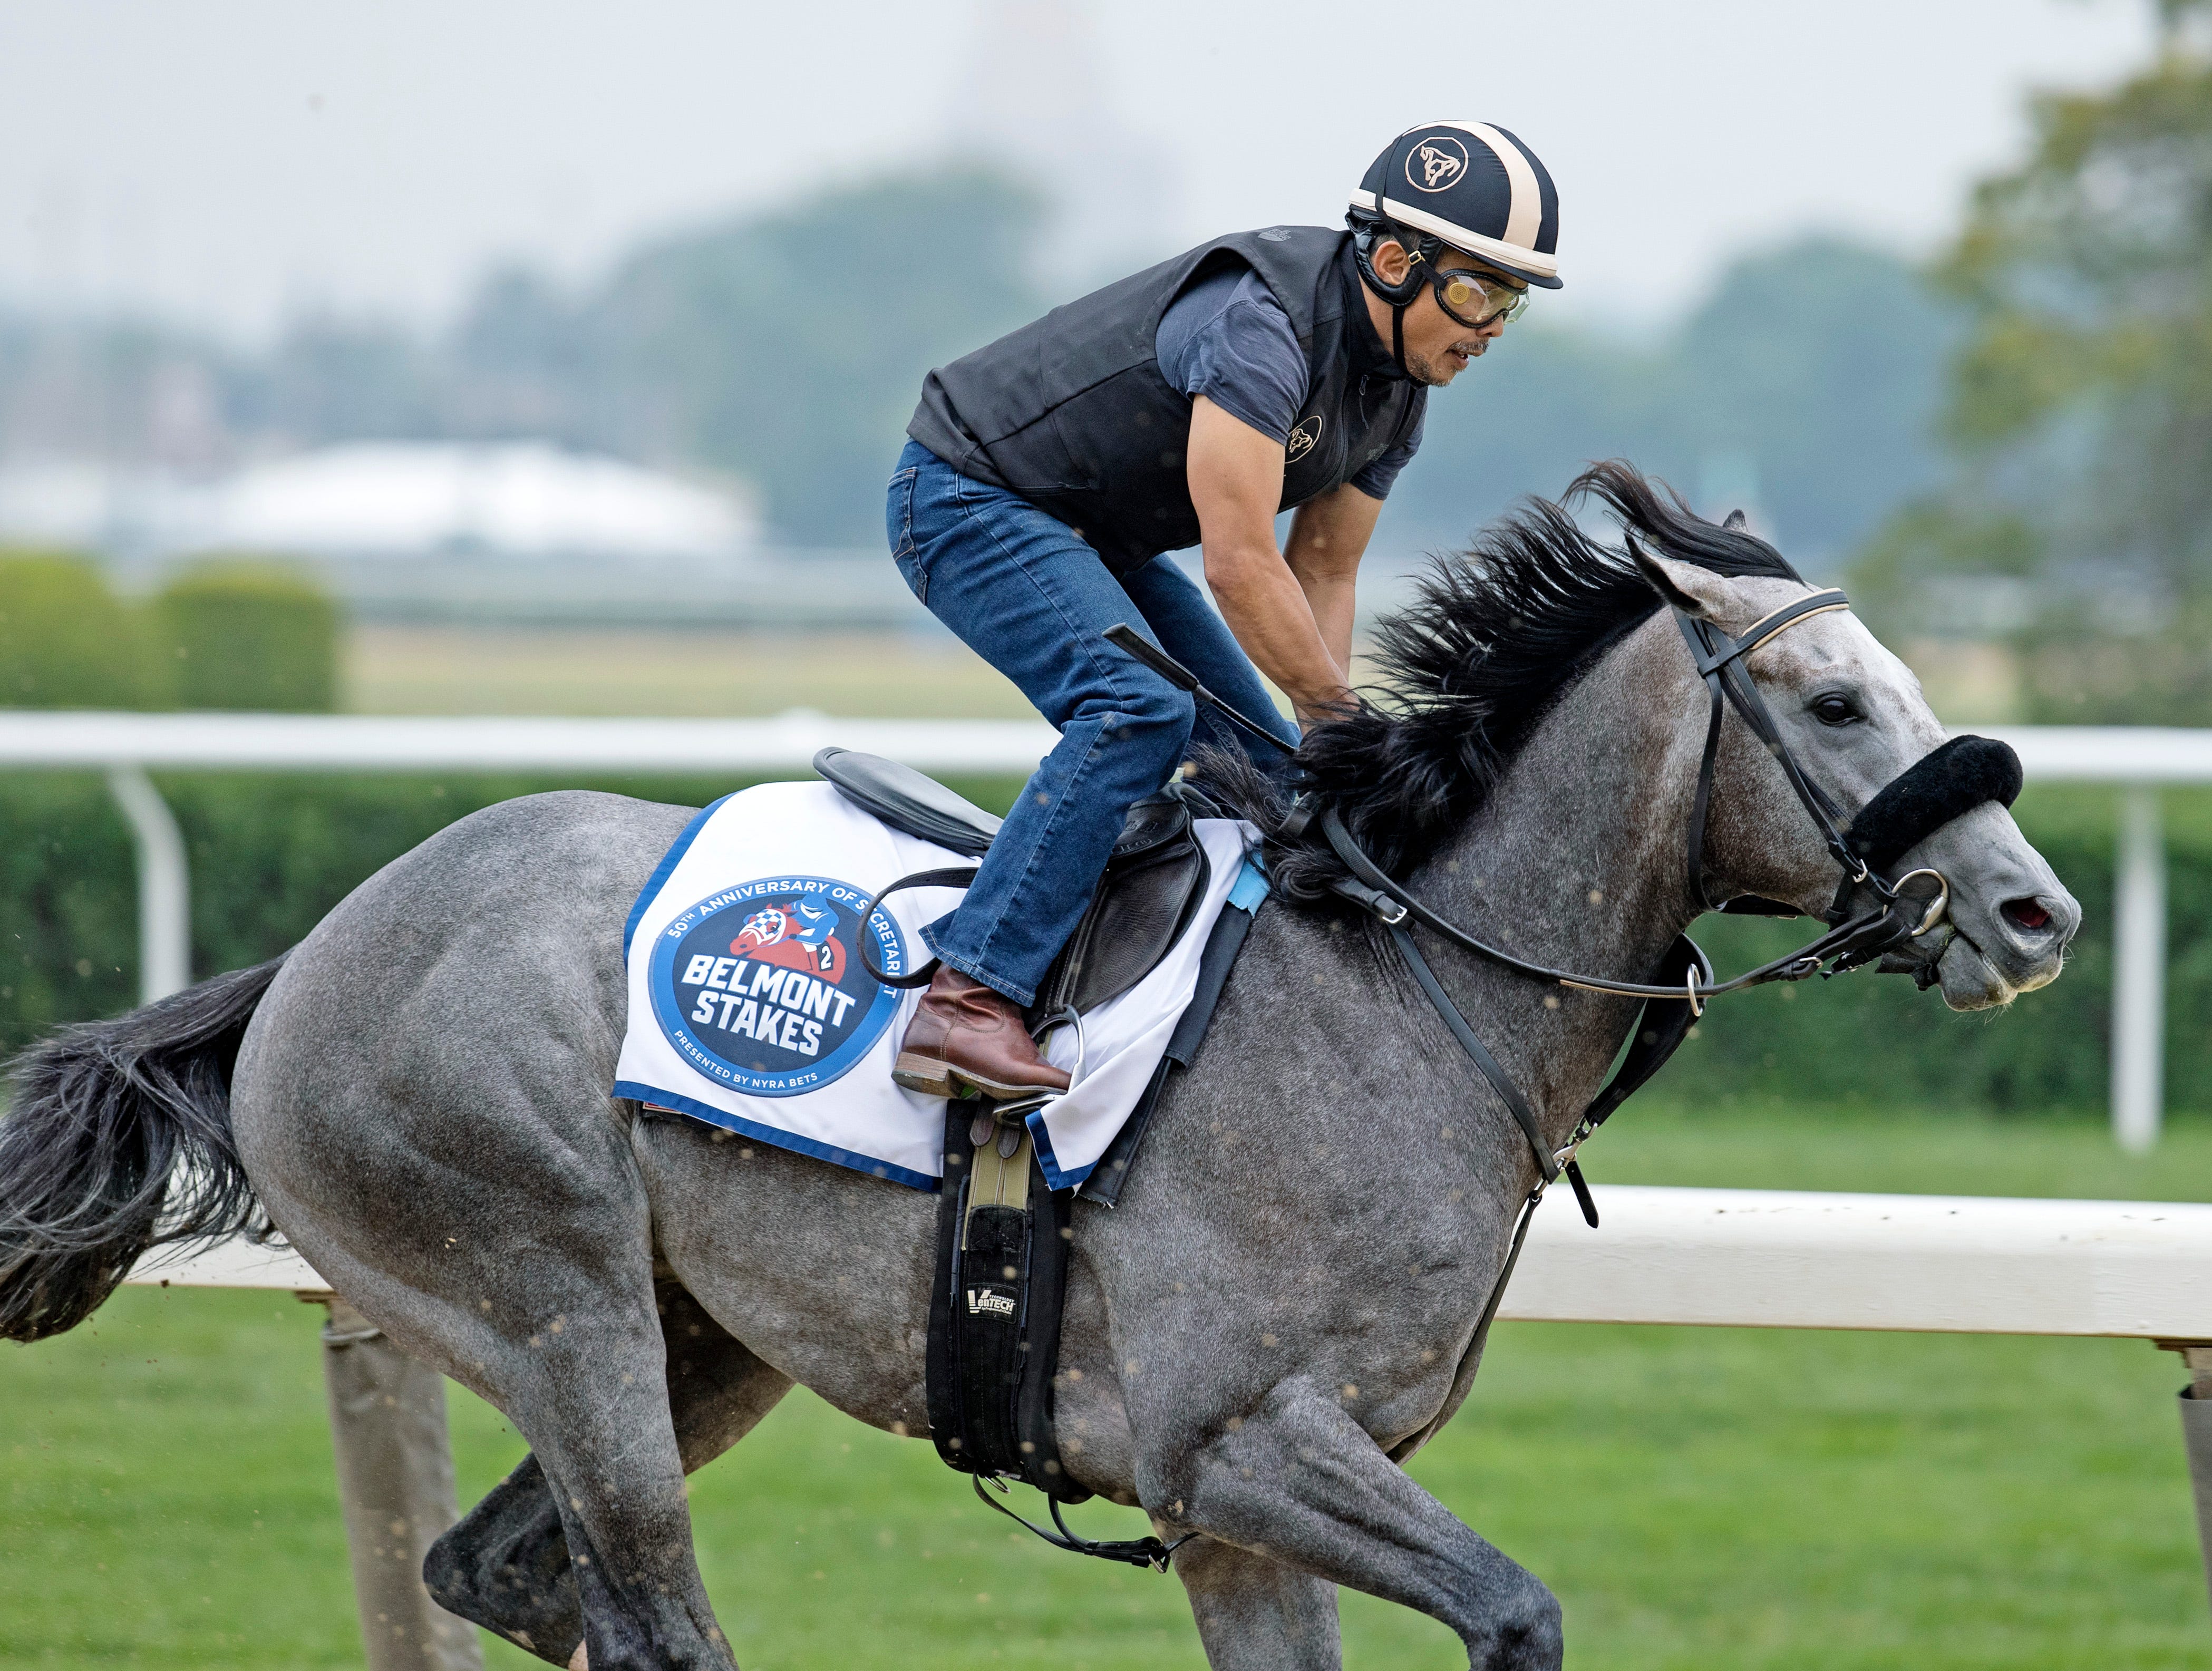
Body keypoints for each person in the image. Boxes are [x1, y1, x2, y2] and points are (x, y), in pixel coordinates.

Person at [885, 121, 1563, 1100]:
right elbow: (1241, 566)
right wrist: (1343, 724)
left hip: (1089, 532)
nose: (1491, 325)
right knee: (1138, 710)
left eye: (1511, 303)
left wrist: (1321, 743)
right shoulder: (1262, 324)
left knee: (1271, 772)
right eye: (1475, 290)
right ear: (1390, 261)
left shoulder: (1398, 392)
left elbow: (1322, 571)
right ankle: (966, 999)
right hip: (967, 496)